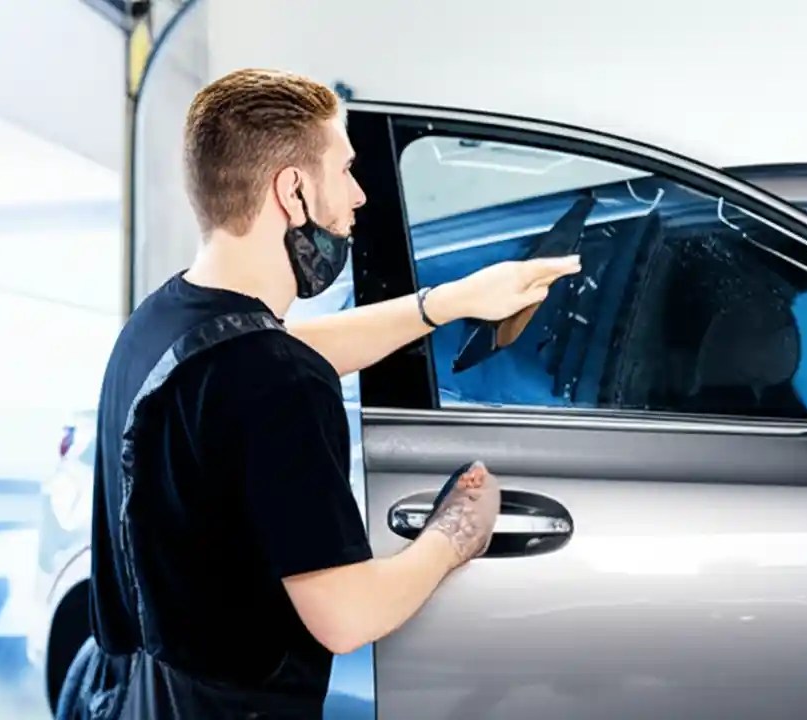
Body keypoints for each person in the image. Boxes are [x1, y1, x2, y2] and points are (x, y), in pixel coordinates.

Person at [55, 68, 581, 719]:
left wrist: (446, 303)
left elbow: (273, 355)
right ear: (294, 191)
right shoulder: (274, 380)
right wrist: (456, 532)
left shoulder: (161, 320)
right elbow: (348, 615)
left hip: (132, 699)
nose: (358, 195)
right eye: (346, 170)